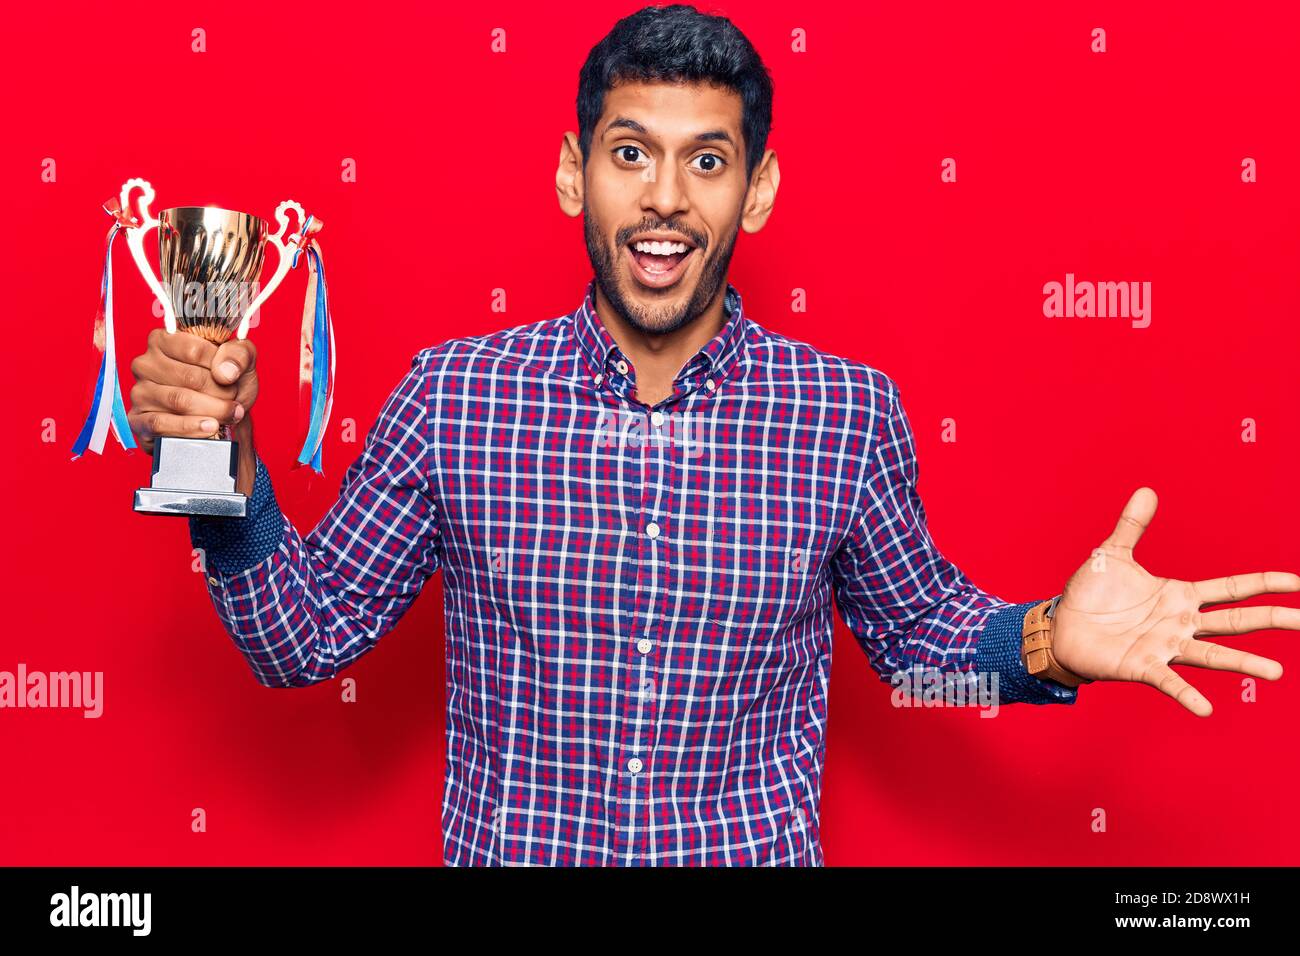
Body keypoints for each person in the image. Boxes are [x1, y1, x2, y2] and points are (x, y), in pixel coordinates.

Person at [125, 4, 1297, 866]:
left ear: (761, 191)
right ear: (573, 177)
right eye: (630, 153)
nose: (666, 199)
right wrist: (212, 460)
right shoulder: (453, 397)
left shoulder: (847, 416)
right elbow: (299, 641)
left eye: (707, 160)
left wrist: (1046, 641)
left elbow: (915, 653)